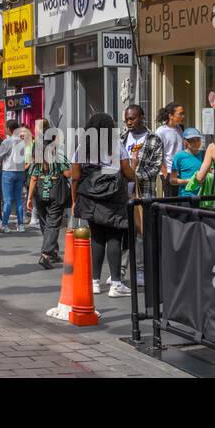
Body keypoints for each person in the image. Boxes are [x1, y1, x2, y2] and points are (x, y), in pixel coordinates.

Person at [66, 111, 134, 298]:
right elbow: (127, 172)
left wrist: (74, 201)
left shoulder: (82, 147)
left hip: (89, 197)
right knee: (114, 237)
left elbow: (75, 177)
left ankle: (94, 281)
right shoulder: (116, 145)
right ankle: (116, 284)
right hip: (114, 197)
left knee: (96, 237)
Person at [26, 126, 69, 269]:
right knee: (53, 224)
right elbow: (68, 174)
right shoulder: (58, 155)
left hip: (40, 192)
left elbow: (33, 178)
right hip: (55, 191)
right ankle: (46, 254)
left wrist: (29, 198)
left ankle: (53, 252)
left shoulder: (37, 157)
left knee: (45, 223)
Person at [123, 105, 165, 201]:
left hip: (144, 192)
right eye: (126, 120)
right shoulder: (122, 138)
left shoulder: (154, 139)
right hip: (123, 192)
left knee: (144, 216)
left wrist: (135, 177)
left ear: (142, 117)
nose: (129, 123)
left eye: (132, 119)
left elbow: (156, 167)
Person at [0, 119, 29, 232]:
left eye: (6, 127)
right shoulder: (21, 141)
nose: (5, 129)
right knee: (19, 199)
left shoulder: (7, 141)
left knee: (8, 200)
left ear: (9, 129)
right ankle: (20, 225)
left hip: (8, 171)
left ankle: (4, 225)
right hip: (20, 172)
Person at [156, 104, 186, 197]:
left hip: (181, 171)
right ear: (170, 115)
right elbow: (157, 153)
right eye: (180, 114)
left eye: (183, 114)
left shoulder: (180, 129)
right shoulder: (161, 131)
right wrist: (165, 172)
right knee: (171, 201)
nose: (183, 116)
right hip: (169, 171)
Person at [170, 127, 205, 195]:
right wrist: (189, 181)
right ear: (185, 141)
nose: (196, 143)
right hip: (186, 196)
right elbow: (172, 180)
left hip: (203, 196)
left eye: (198, 140)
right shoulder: (179, 156)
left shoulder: (205, 155)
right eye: (192, 140)